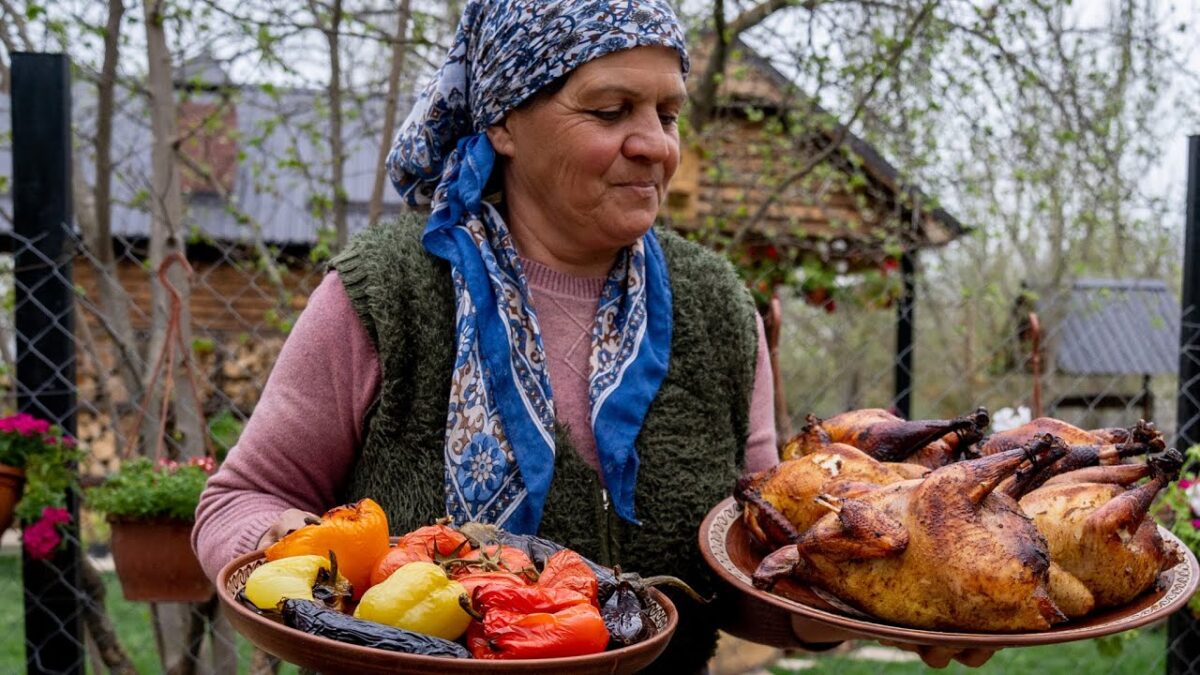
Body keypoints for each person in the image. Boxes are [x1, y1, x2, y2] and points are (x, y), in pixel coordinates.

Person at [193, 1, 991, 670]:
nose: (656, 144)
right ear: (505, 121)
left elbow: (755, 567)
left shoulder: (716, 310)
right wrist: (309, 561)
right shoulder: (389, 292)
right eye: (611, 111)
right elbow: (239, 499)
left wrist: (882, 598)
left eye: (667, 112)